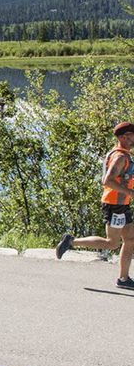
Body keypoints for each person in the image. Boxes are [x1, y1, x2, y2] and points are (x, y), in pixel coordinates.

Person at [56, 121, 134, 289]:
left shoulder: (121, 154)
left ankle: (123, 278)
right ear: (123, 137)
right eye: (131, 135)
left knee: (130, 239)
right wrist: (130, 193)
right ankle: (71, 242)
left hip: (121, 204)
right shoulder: (120, 156)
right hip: (115, 205)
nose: (133, 138)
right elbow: (107, 181)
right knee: (112, 243)